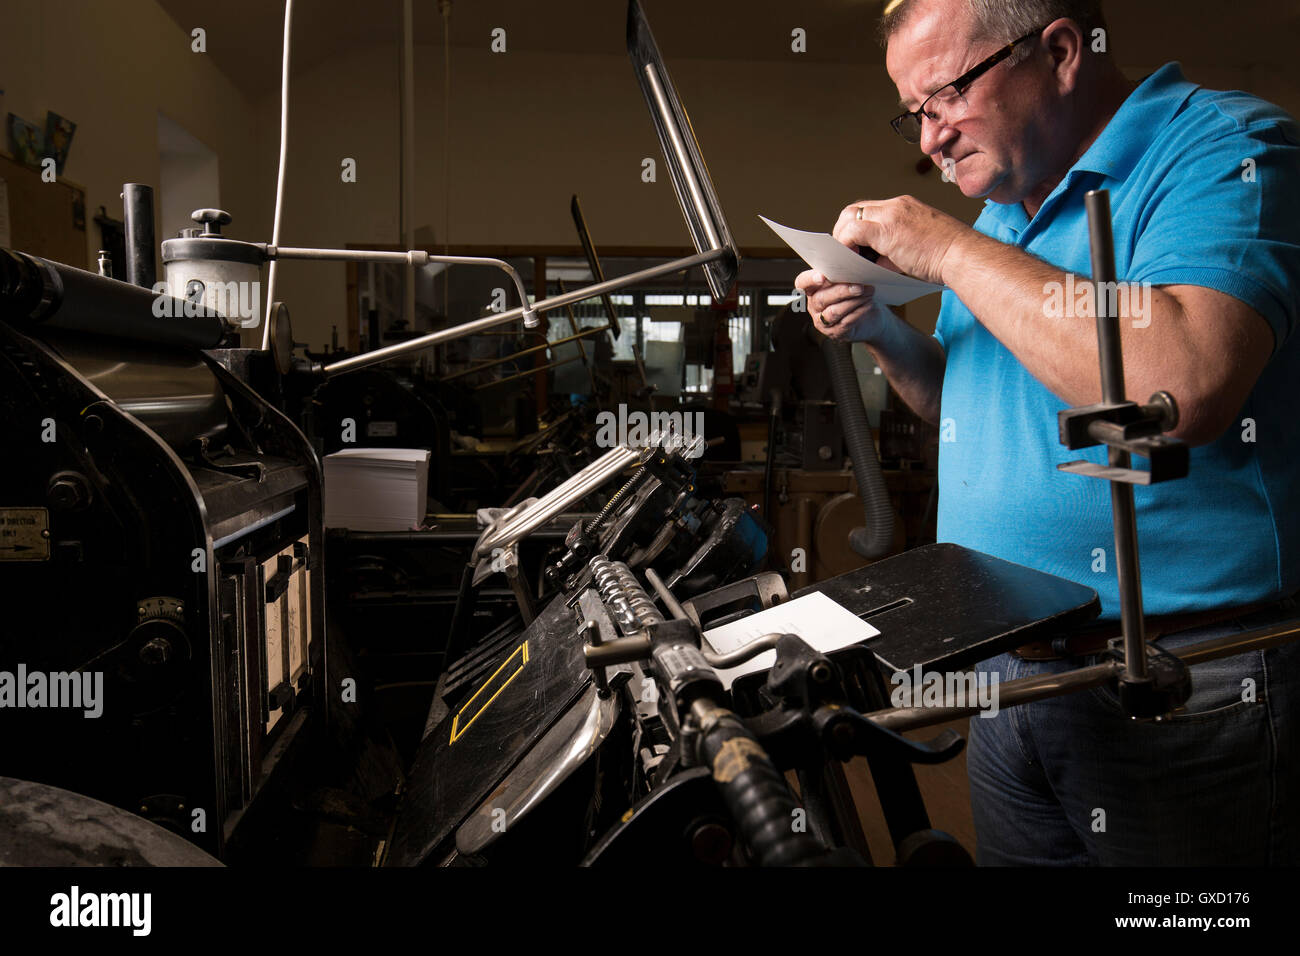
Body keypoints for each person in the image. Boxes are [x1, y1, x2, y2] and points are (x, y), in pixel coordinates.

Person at [796, 0, 1300, 864]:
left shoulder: (1225, 149)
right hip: (1011, 673)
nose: (931, 139)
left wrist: (945, 251)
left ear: (1061, 51)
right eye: (914, 113)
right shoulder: (1003, 210)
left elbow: (1178, 388)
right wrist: (883, 332)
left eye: (947, 97)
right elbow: (968, 405)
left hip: (1181, 677)